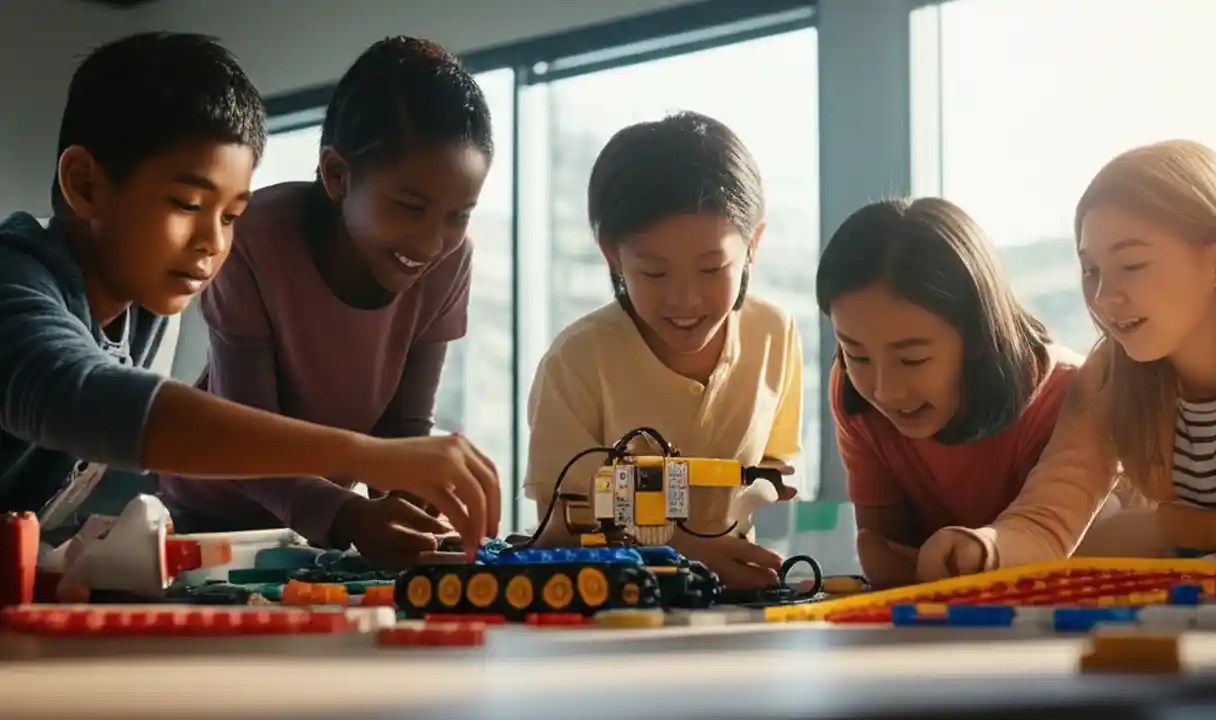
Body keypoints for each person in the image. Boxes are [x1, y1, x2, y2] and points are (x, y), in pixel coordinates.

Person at [0, 32, 497, 560]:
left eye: (232, 215)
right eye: (188, 204)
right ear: (86, 184)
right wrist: (367, 456)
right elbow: (85, 398)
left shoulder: (140, 305)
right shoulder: (12, 282)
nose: (214, 243)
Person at [158, 37, 495, 568]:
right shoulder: (253, 238)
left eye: (459, 215)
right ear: (338, 175)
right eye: (409, 207)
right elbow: (248, 442)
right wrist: (353, 517)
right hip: (204, 516)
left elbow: (404, 432)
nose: (432, 244)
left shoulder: (449, 262)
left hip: (321, 524)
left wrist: (417, 517)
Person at [918, 140, 1216, 579]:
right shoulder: (1111, 378)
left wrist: (1175, 526)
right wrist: (983, 548)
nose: (1104, 297)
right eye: (1091, 270)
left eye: (1132, 265)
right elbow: (1047, 522)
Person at [523, 112, 802, 589]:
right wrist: (682, 551)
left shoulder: (774, 334)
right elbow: (558, 529)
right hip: (619, 606)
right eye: (654, 273)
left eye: (712, 269)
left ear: (753, 245)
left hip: (737, 603)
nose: (685, 300)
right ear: (613, 254)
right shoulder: (577, 361)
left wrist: (761, 493)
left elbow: (777, 466)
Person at [817, 198, 1080, 588]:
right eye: (856, 354)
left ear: (977, 335)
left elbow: (1059, 558)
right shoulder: (854, 393)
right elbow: (885, 555)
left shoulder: (1067, 396)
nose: (886, 391)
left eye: (912, 359)